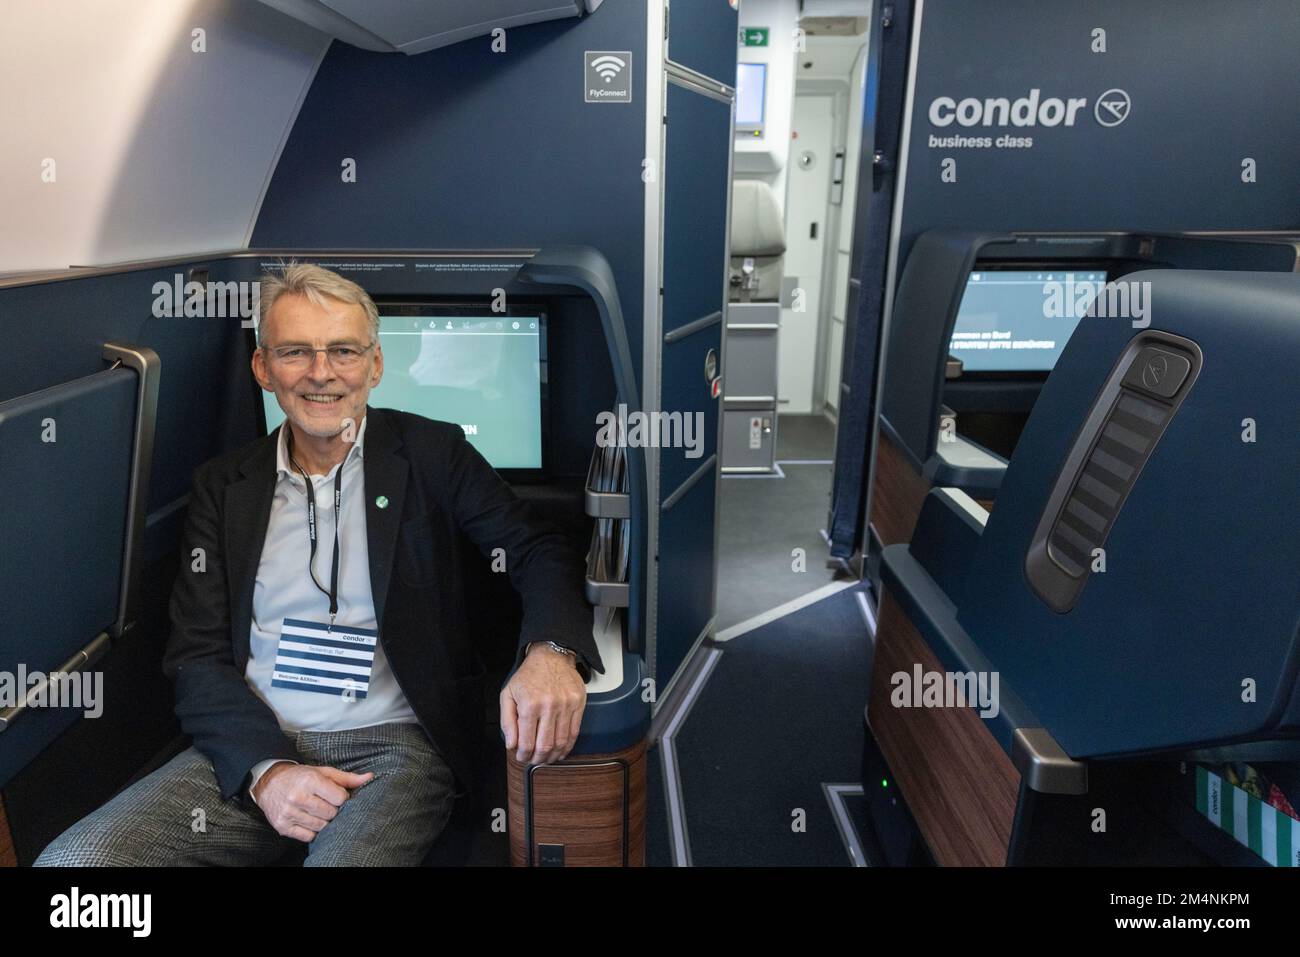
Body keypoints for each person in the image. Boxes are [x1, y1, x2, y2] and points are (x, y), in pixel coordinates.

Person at [35, 263, 601, 866]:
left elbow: (535, 549)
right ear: (263, 368)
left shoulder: (435, 453)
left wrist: (552, 651)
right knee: (74, 866)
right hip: (251, 744)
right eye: (295, 351)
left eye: (343, 351)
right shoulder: (224, 488)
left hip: (396, 750)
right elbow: (195, 655)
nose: (321, 372)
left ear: (376, 366)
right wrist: (269, 770)